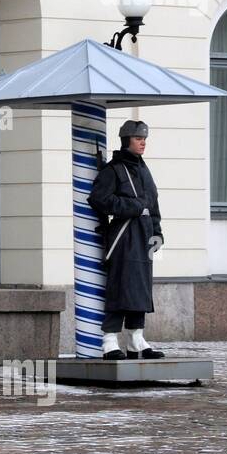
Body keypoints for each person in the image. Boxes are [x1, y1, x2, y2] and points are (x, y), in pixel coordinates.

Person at [87, 119, 166, 361]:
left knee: (140, 289)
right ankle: (109, 340)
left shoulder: (144, 169)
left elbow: (152, 204)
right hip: (123, 236)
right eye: (138, 138)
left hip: (143, 235)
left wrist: (158, 232)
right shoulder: (113, 170)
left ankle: (135, 339)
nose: (142, 142)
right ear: (126, 141)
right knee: (121, 287)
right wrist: (130, 206)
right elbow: (98, 199)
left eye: (144, 138)